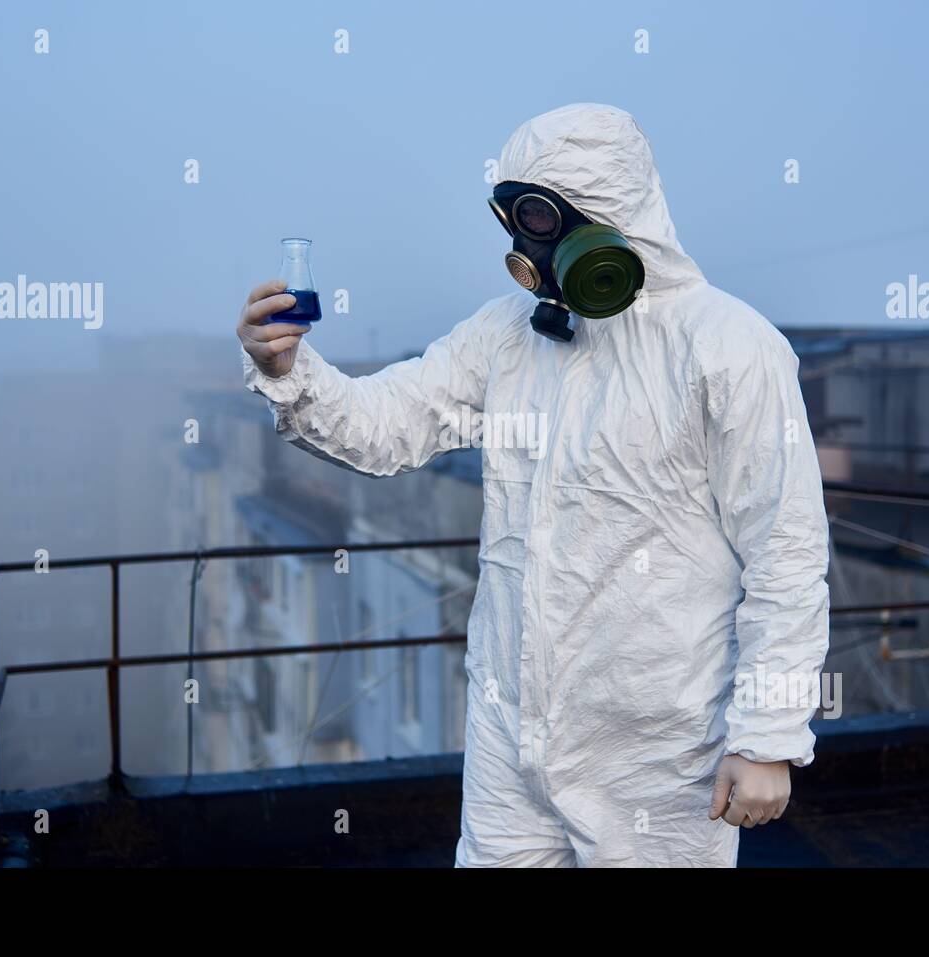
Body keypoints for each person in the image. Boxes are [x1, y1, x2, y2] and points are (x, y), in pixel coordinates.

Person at [236, 103, 830, 867]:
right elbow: (388, 423)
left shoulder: (730, 348)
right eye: (517, 223)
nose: (529, 250)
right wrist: (288, 371)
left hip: (662, 756)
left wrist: (768, 736)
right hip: (512, 736)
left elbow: (785, 551)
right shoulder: (507, 336)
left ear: (613, 215)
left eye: (546, 221)